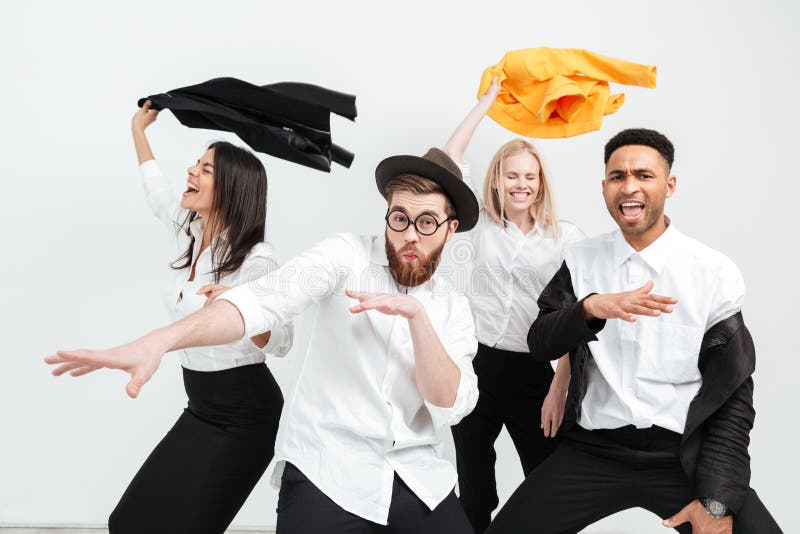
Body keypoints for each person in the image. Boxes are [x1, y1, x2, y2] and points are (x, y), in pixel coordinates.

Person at [46, 147, 482, 533]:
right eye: (399, 218)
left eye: (426, 223)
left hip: (417, 477)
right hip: (328, 470)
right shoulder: (344, 255)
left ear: (450, 228)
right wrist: (160, 341)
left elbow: (450, 404)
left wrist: (417, 319)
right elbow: (260, 302)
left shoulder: (453, 308)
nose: (409, 235)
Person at [484, 128, 782, 533]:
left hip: (678, 455)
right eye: (618, 177)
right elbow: (540, 342)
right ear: (604, 186)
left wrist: (715, 501)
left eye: (644, 176)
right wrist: (590, 308)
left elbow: (733, 397)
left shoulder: (713, 273)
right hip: (593, 451)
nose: (630, 188)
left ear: (669, 185)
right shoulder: (582, 258)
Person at [48, 101, 293, 534]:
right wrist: (138, 130)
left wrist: (245, 306)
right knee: (128, 522)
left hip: (247, 415)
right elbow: (156, 192)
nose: (191, 172)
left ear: (233, 188)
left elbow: (283, 341)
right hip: (200, 407)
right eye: (195, 164)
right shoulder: (190, 228)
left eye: (205, 169)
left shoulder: (258, 262)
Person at [441, 78, 583, 533]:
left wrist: (560, 383)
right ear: (496, 181)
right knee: (474, 491)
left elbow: (576, 320)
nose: (521, 184)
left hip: (534, 375)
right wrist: (485, 104)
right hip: (475, 366)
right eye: (511, 175)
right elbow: (445, 165)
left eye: (530, 175)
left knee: (546, 486)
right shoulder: (473, 227)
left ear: (540, 183)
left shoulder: (567, 239)